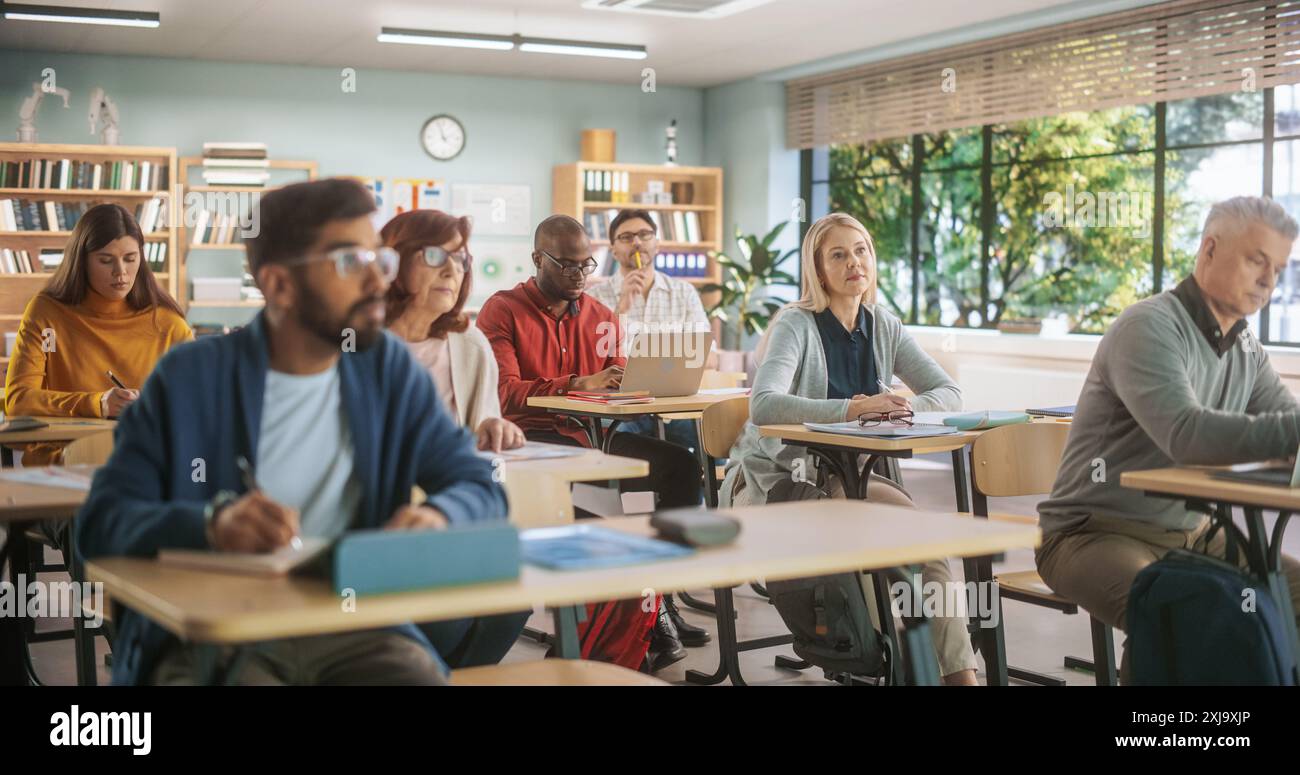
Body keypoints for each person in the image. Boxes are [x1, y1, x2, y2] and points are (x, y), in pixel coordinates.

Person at [76, 178, 508, 685]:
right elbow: (100, 525)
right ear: (279, 285)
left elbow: (479, 486)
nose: (377, 283)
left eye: (380, 262)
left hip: (353, 624)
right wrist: (211, 527)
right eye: (351, 263)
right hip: (217, 633)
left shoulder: (385, 368)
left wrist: (440, 513)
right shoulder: (190, 376)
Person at [1036, 195, 1300, 680]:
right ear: (1210, 249)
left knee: (1293, 592)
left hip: (1194, 533)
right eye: (1256, 260)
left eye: (1279, 269)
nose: (1269, 281)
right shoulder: (1149, 326)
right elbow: (1187, 434)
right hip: (1091, 534)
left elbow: (1288, 426)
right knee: (1187, 608)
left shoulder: (1246, 347)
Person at [720, 212, 979, 685]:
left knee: (928, 547)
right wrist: (853, 410)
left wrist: (899, 406)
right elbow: (764, 405)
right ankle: (884, 668)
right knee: (864, 545)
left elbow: (948, 393)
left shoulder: (884, 325)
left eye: (861, 250)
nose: (853, 262)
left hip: (851, 481)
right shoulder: (795, 325)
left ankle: (962, 678)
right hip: (780, 482)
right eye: (837, 254)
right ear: (818, 270)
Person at [475, 214, 709, 670]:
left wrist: (631, 383)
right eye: (566, 265)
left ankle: (659, 596)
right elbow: (505, 393)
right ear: (537, 259)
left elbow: (616, 378)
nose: (579, 275)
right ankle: (623, 620)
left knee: (679, 465)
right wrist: (578, 382)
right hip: (532, 440)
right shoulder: (502, 310)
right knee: (597, 512)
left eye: (587, 264)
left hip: (593, 436)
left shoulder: (602, 317)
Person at [381, 207, 529, 666]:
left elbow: (480, 432)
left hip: (451, 515)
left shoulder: (468, 342)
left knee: (512, 603)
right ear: (390, 263)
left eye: (461, 258)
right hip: (385, 519)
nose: (453, 269)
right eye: (433, 255)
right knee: (446, 616)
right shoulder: (355, 344)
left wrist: (493, 425)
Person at [4, 203, 191, 465]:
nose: (121, 273)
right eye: (106, 260)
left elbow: (195, 409)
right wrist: (98, 404)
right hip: (62, 464)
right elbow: (19, 400)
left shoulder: (170, 326)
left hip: (144, 462)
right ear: (81, 260)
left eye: (130, 258)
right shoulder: (47, 313)